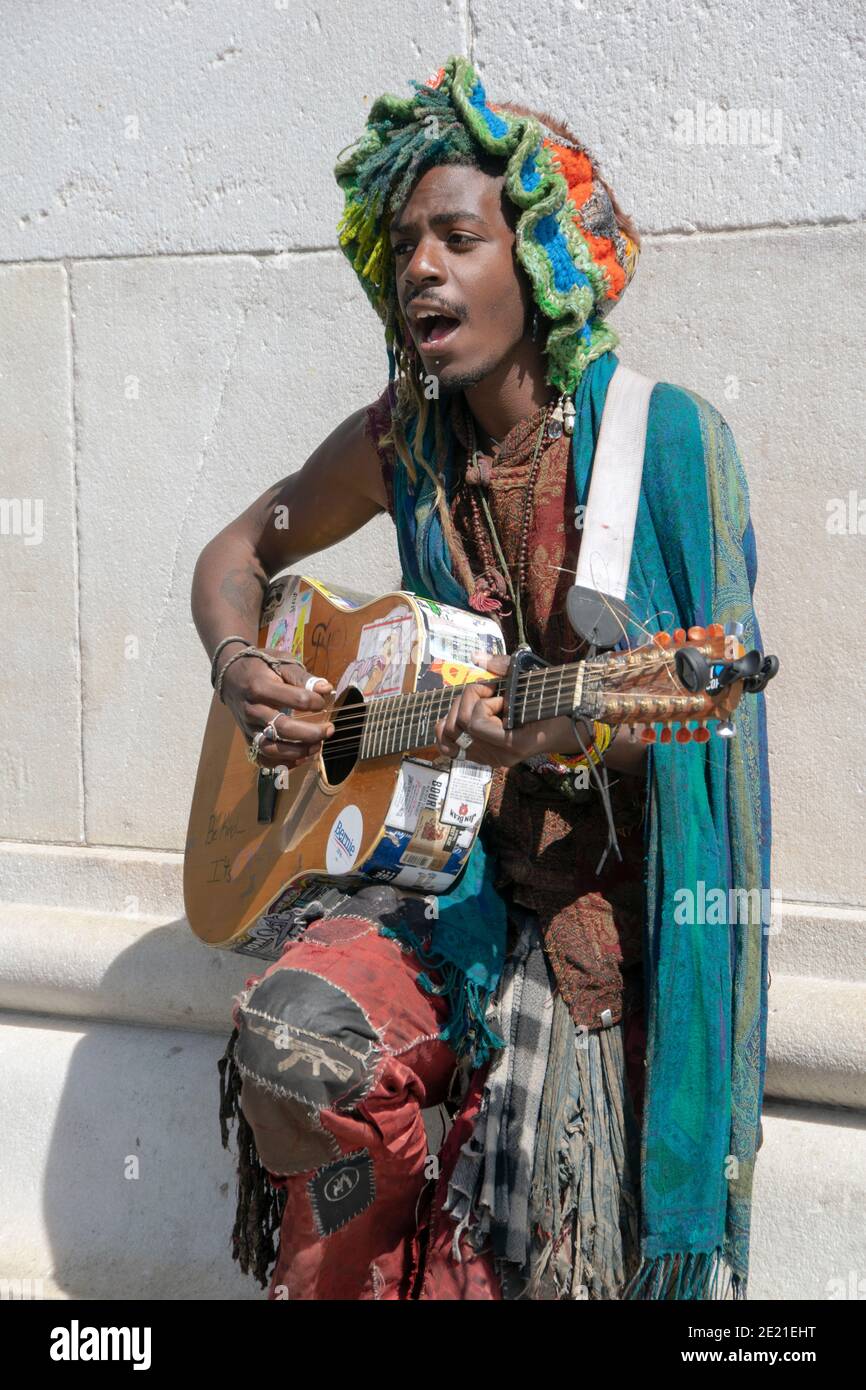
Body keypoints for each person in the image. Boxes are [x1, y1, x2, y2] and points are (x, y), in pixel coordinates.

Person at [193, 56, 771, 1301]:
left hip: (586, 915)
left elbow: (694, 745)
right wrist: (243, 663)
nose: (419, 269)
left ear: (541, 263)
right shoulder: (398, 441)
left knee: (510, 1248)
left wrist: (553, 735)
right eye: (403, 245)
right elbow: (238, 552)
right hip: (438, 878)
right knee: (295, 1046)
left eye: (457, 237)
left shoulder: (655, 447)